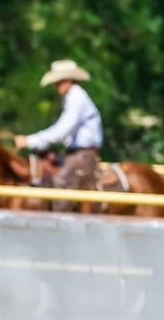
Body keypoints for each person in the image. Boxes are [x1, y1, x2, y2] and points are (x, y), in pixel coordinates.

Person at [14, 60, 103, 210]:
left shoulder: (77, 98)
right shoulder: (72, 97)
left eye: (59, 82)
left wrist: (29, 141)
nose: (56, 86)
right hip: (75, 153)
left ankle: (60, 225)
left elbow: (61, 131)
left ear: (68, 80)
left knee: (60, 182)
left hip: (83, 155)